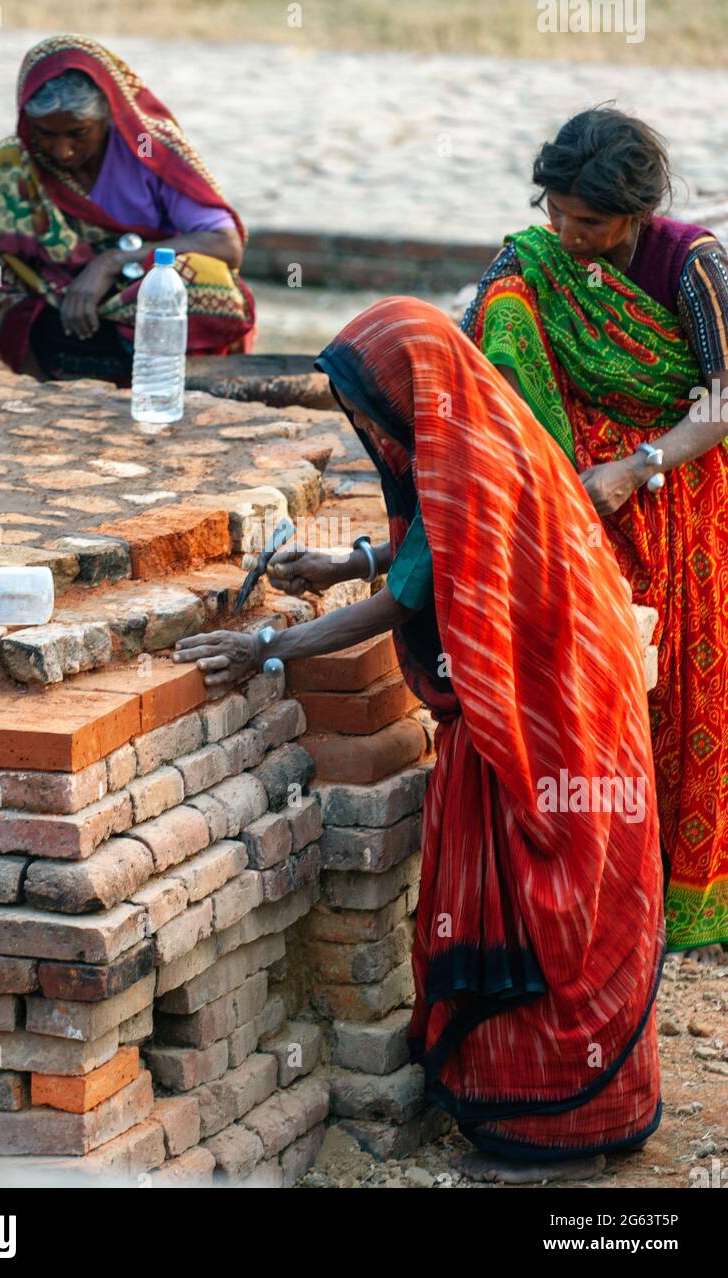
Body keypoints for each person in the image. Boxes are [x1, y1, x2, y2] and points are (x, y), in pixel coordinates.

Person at [173, 296, 664, 1183]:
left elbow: (413, 595)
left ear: (413, 397)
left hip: (554, 715)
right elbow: (437, 558)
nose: (364, 427)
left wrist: (266, 648)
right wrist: (346, 561)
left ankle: (564, 1134)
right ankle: (543, 1108)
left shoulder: (473, 457)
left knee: (557, 902)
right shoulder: (473, 429)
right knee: (529, 896)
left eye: (366, 409)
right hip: (551, 701)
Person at [460, 107, 728, 960]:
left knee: (681, 691)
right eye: (557, 214)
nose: (567, 235)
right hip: (572, 507)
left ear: (635, 214)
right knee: (593, 692)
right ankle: (598, 883)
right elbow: (480, 358)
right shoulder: (532, 261)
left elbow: (723, 402)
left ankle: (680, 900)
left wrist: (635, 464)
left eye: (588, 222)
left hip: (679, 509)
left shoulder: (691, 265)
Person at [0, 34, 255, 383]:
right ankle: (43, 381)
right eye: (46, 134)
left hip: (136, 301)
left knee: (203, 278)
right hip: (53, 306)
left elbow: (224, 243)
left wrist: (109, 263)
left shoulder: (150, 152)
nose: (62, 151)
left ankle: (164, 381)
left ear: (109, 117)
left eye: (78, 133)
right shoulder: (3, 169)